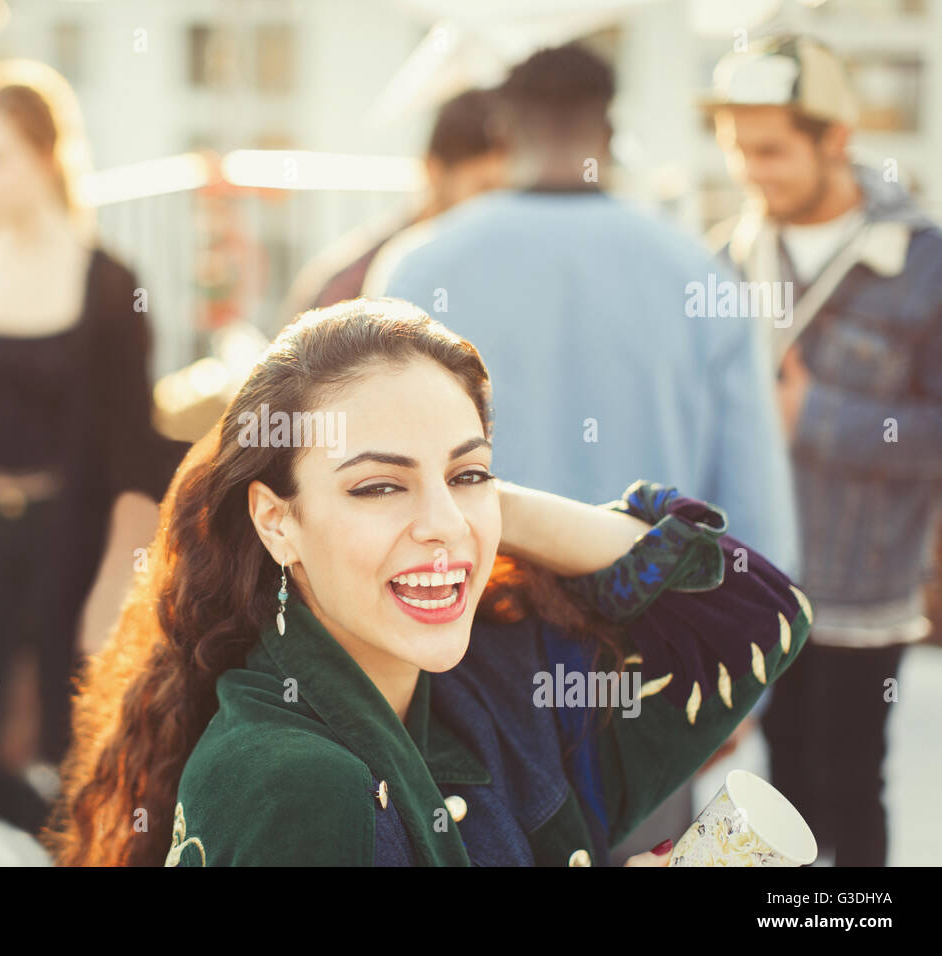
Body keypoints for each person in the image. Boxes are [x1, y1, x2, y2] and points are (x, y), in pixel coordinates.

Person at [46, 298, 813, 866]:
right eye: (377, 487)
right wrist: (452, 496)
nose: (442, 523)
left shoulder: (487, 681)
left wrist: (473, 509)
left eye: (471, 471)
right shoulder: (294, 785)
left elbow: (750, 614)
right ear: (277, 522)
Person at [366, 43, 800, 863]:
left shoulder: (421, 267)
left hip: (461, 665)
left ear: (503, 127)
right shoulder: (694, 273)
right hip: (647, 664)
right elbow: (758, 515)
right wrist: (733, 689)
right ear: (611, 126)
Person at [0, 61, 188, 836]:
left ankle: (79, 846)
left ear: (44, 156)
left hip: (68, 535)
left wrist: (115, 578)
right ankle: (60, 839)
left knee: (74, 747)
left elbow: (133, 450)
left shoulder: (107, 285)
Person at [704, 35, 942, 866]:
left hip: (859, 588)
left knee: (848, 787)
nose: (751, 171)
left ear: (834, 139)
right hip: (753, 579)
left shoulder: (924, 262)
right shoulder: (725, 254)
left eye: (770, 150)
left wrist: (818, 416)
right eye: (737, 150)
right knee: (773, 790)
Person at [279, 86, 508, 321]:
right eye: (485, 188)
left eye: (511, 190)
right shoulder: (350, 287)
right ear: (434, 170)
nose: (501, 205)